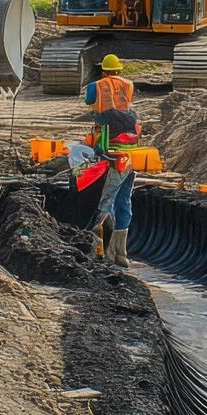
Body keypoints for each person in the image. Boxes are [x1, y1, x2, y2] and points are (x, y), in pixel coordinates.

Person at [82, 54, 137, 266]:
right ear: (120, 70)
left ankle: (101, 250)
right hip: (131, 152)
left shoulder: (97, 85)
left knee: (107, 201)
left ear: (104, 71)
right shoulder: (129, 85)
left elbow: (88, 100)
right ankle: (120, 253)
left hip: (112, 149)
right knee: (124, 200)